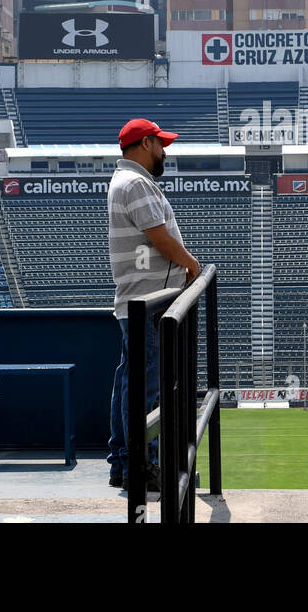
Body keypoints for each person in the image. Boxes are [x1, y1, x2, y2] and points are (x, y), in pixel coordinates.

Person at [106, 118, 201, 491]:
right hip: (148, 303)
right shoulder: (137, 183)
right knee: (146, 388)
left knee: (130, 380)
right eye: (160, 144)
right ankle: (142, 466)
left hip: (138, 301)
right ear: (145, 143)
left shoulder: (126, 181)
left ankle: (124, 462)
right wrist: (192, 264)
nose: (164, 152)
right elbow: (160, 239)